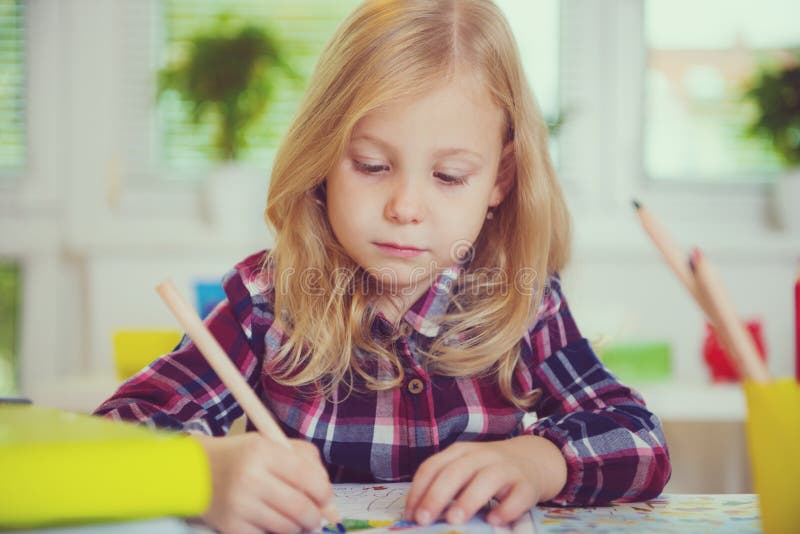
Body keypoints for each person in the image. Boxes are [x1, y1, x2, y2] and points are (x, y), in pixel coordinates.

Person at [95, 1, 671, 533]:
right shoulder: (266, 301)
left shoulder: (522, 303)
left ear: (500, 179)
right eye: (372, 165)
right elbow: (110, 434)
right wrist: (204, 472)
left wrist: (538, 460)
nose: (405, 208)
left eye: (448, 177)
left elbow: (641, 442)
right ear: (322, 156)